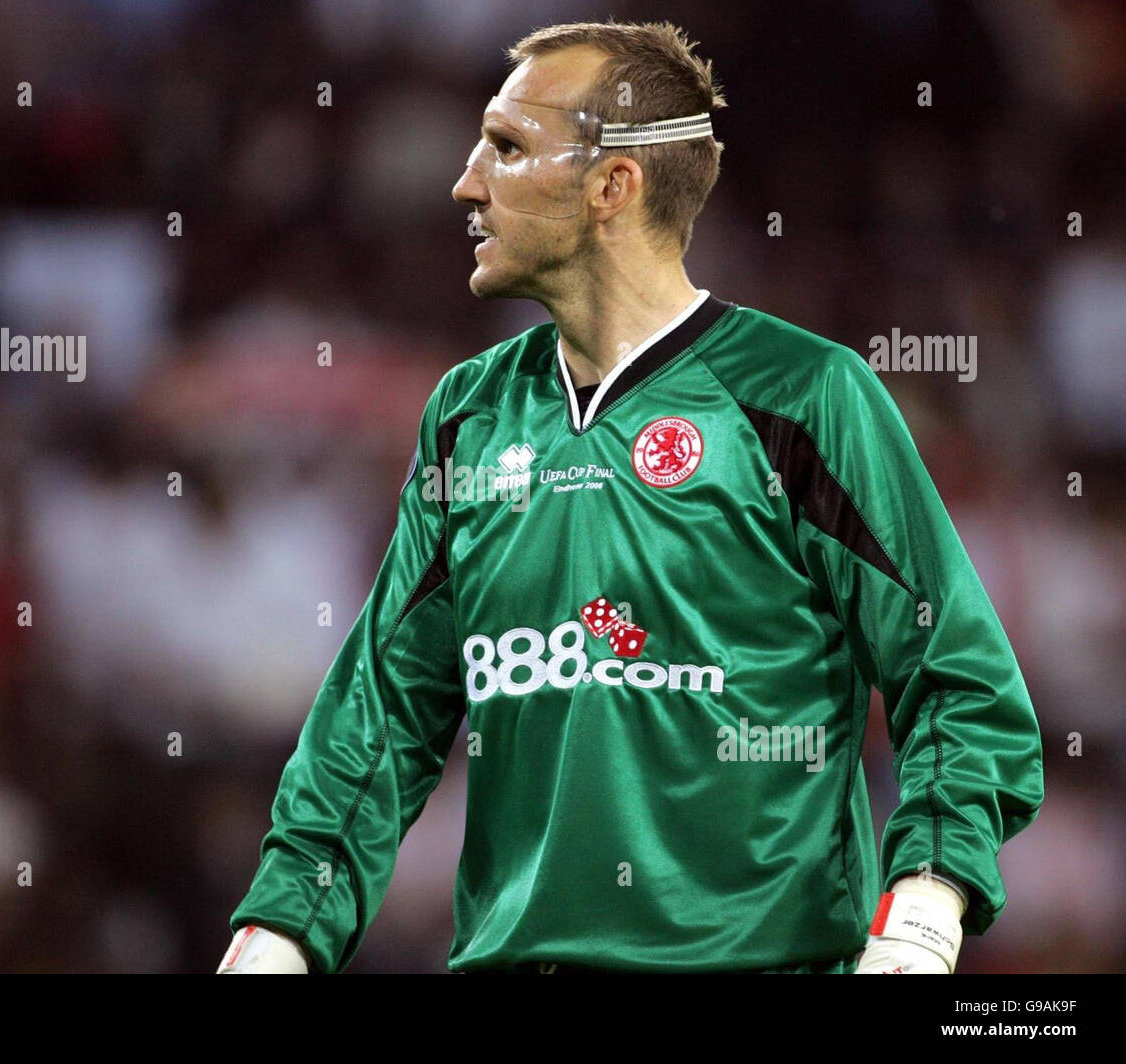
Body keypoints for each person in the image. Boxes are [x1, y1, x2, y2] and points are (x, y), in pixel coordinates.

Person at [218, 19, 1043, 975]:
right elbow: (384, 715)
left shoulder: (803, 396)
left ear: (615, 185)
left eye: (508, 146)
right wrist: (277, 935)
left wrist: (924, 913)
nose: (466, 183)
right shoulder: (469, 415)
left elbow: (959, 680)